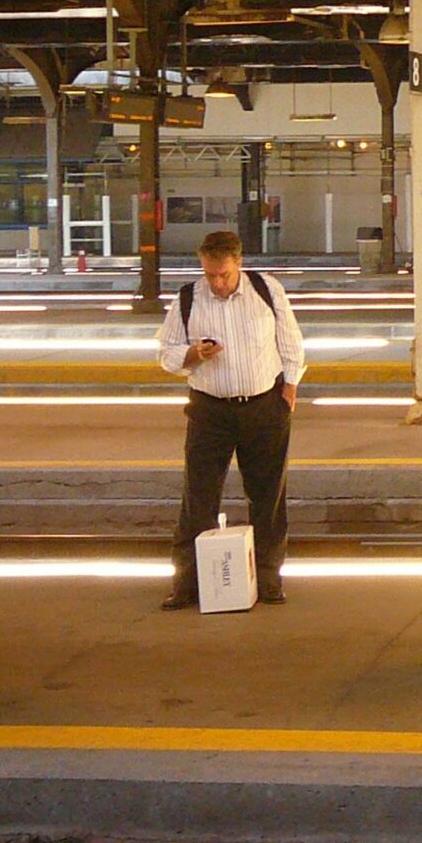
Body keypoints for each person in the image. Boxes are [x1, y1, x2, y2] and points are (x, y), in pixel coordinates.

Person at [155, 230, 307, 611]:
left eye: (223, 274)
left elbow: (291, 343)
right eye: (210, 275)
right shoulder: (189, 298)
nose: (217, 283)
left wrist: (288, 390)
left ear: (238, 263)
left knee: (268, 496)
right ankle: (187, 584)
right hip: (210, 411)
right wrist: (193, 354)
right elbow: (166, 353)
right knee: (199, 498)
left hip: (264, 408)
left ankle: (269, 579)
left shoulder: (267, 291)